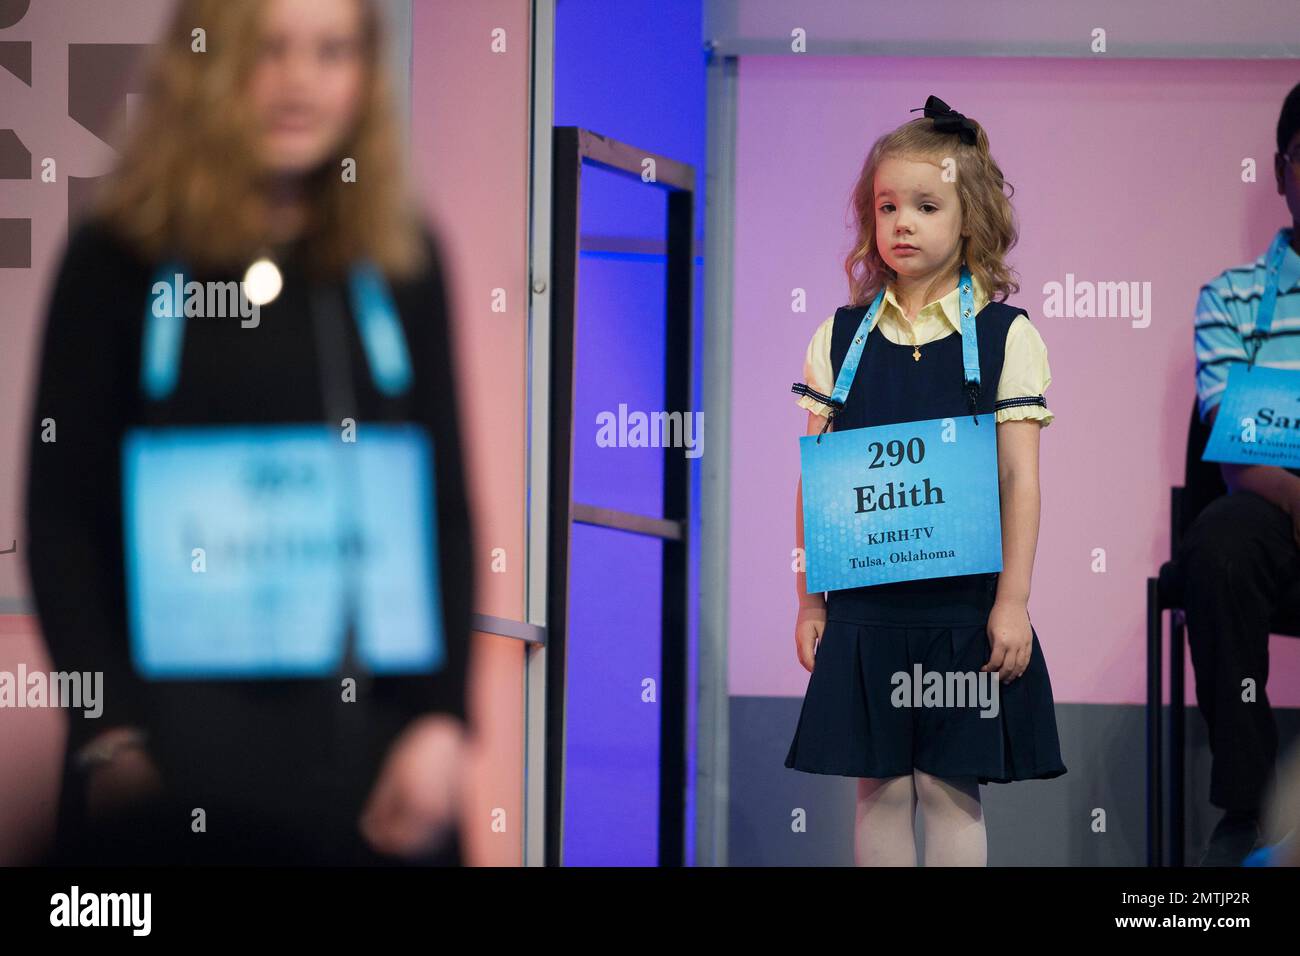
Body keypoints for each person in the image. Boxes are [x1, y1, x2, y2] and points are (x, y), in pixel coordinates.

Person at [25, 0, 474, 865]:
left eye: (331, 51)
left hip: (375, 779)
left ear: (364, 76)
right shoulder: (115, 262)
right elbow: (62, 520)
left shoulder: (401, 260)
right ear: (208, 64)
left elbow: (445, 510)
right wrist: (109, 736)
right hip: (163, 777)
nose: (299, 80)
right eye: (269, 49)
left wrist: (441, 723)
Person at [785, 96, 1067, 866]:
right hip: (866, 611)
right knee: (878, 792)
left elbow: (1019, 477)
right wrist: (811, 598)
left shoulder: (1007, 336)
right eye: (886, 206)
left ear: (969, 218)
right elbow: (817, 480)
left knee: (948, 790)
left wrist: (1012, 601)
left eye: (925, 204)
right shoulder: (839, 337)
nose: (901, 221)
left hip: (961, 614)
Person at [1181, 80, 1300, 867]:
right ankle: (1252, 810)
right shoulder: (1233, 298)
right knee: (1220, 538)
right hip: (1277, 531)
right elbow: (1238, 450)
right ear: (1283, 171)